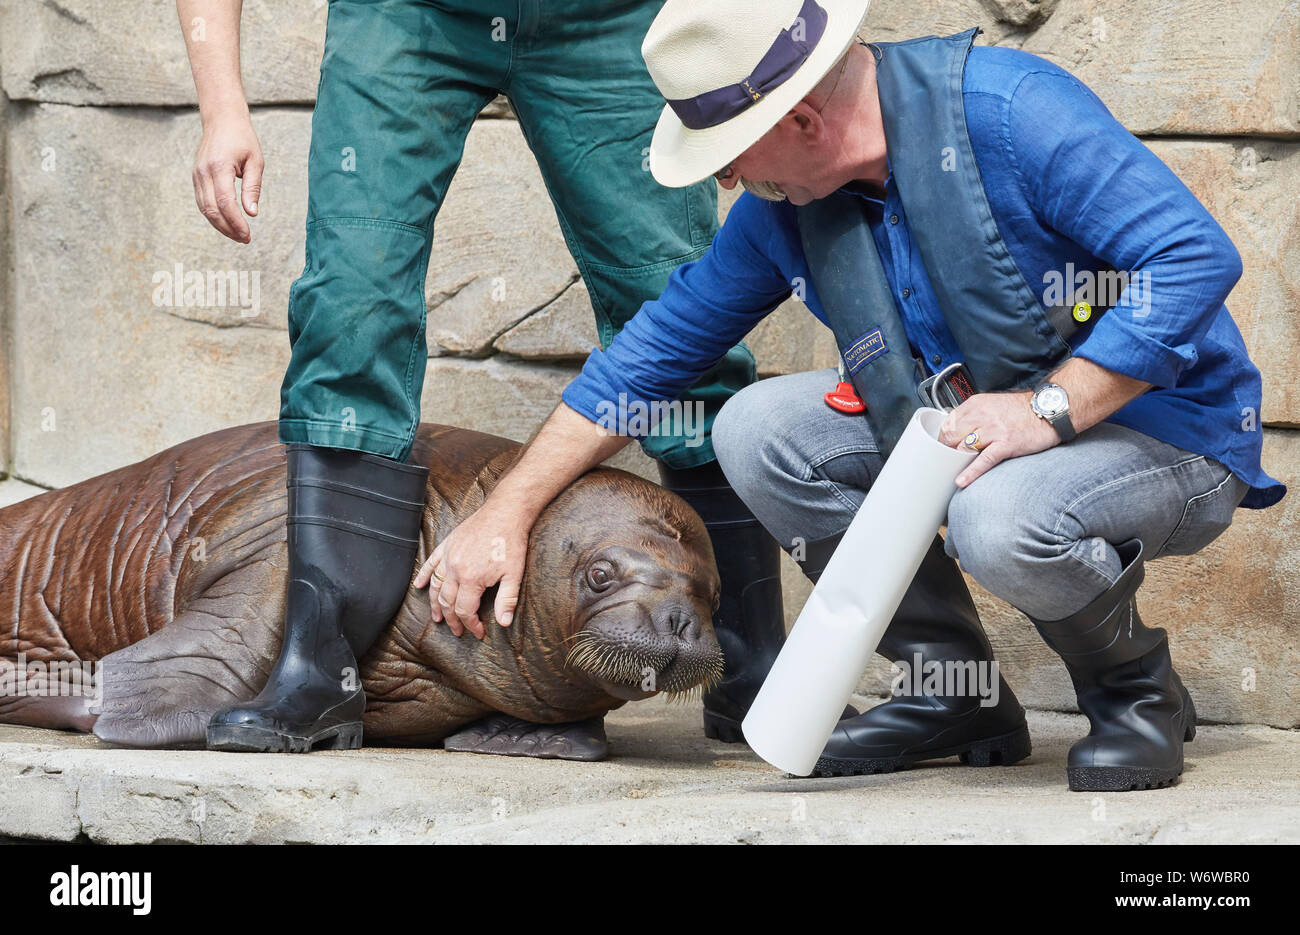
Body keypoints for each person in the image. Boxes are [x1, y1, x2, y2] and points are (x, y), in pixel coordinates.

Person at [421, 0, 1286, 791]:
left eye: (728, 158)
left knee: (999, 514)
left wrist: (1046, 408)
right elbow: (653, 354)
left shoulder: (1015, 112)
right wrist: (508, 510)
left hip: (1169, 434)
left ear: (798, 119)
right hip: (983, 432)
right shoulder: (788, 205)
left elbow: (1193, 259)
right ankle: (959, 693)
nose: (726, 183)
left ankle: (1138, 696)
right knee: (758, 428)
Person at [175, 0, 771, 753]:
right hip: (406, 16)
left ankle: (749, 669)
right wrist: (223, 108)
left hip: (613, 19)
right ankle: (320, 667)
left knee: (675, 303)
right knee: (351, 302)